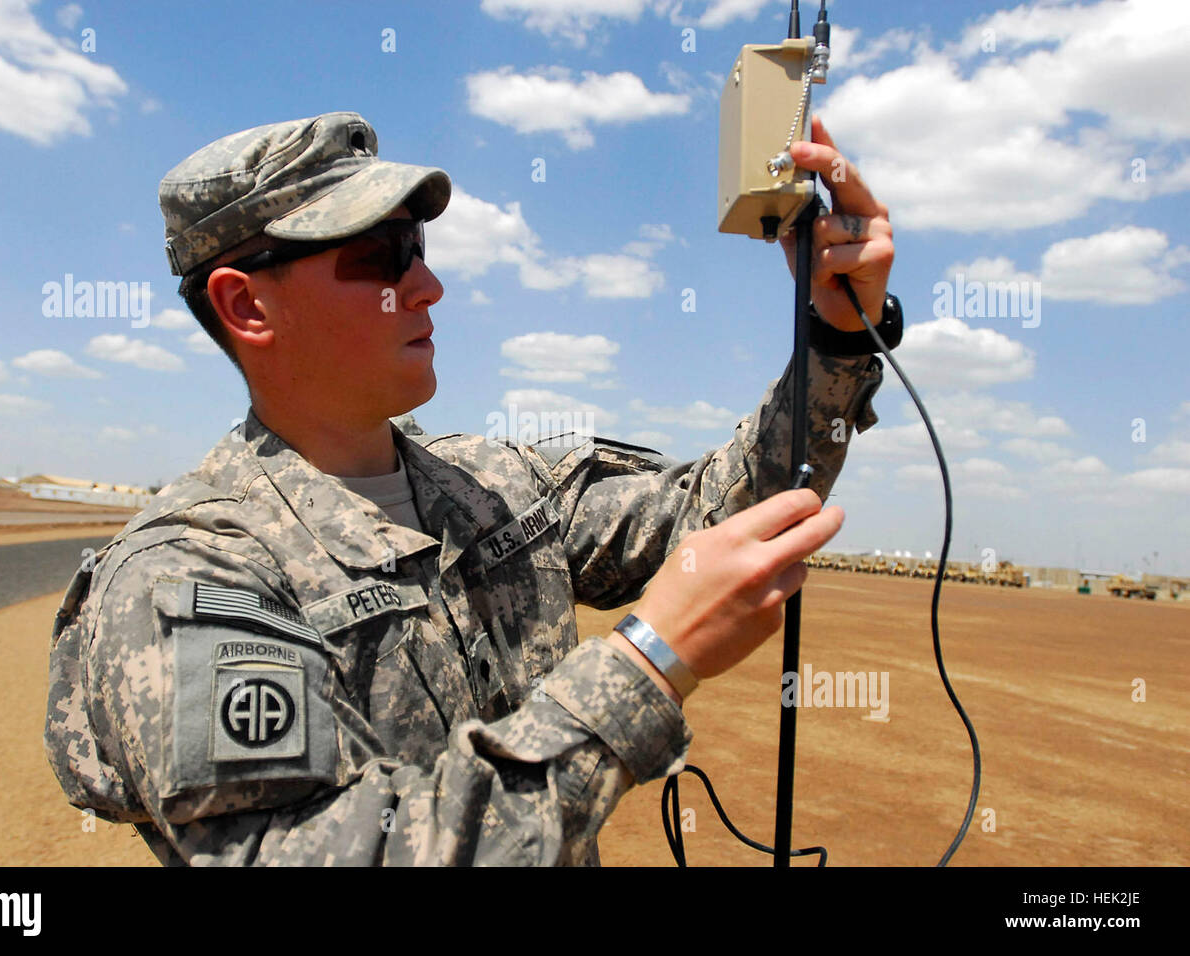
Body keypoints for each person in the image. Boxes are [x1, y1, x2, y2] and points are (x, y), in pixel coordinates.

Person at [44, 111, 897, 866]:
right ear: (247, 307)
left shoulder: (495, 483)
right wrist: (648, 663)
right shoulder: (190, 576)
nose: (427, 285)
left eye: (418, 249)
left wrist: (834, 334)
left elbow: (724, 517)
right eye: (378, 256)